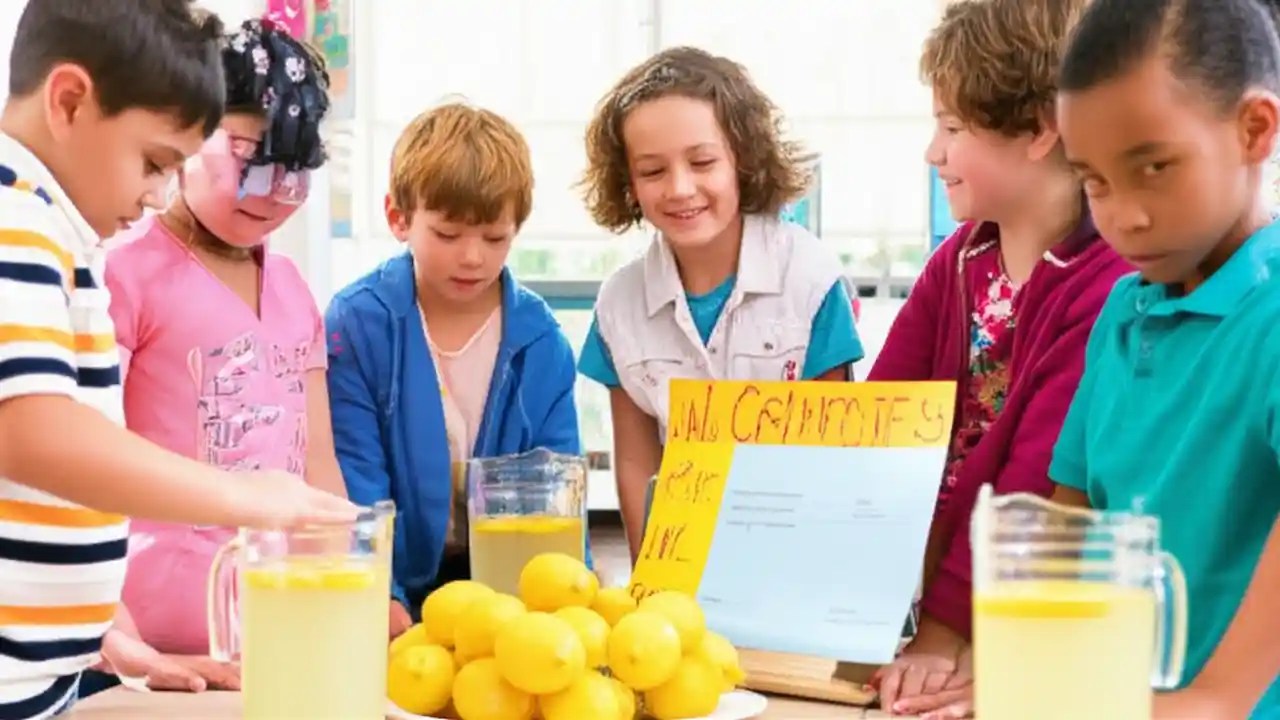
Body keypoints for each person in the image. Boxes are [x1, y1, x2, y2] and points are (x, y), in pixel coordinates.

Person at [0, 1, 355, 717]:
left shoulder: (54, 232)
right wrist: (245, 496)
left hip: (42, 674)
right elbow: (24, 428)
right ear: (69, 100)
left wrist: (99, 628)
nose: (160, 192)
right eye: (155, 162)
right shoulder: (16, 223)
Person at [867, 1, 1134, 716]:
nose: (933, 152)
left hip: (1024, 602)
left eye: (953, 128)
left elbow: (1036, 488)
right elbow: (881, 425)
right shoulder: (955, 264)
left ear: (1043, 130)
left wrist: (948, 631)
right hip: (936, 593)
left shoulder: (1106, 282)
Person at [1049, 0, 1280, 717]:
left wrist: (1213, 700)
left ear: (1253, 130)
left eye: (1153, 167)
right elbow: (1073, 513)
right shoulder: (1121, 311)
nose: (1124, 215)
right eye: (1095, 181)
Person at [576, 47, 864, 561]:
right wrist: (655, 587)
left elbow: (834, 458)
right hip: (685, 568)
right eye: (652, 171)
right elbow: (638, 467)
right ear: (628, 182)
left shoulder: (811, 279)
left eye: (703, 161)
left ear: (743, 158)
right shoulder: (619, 304)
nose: (680, 189)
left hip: (799, 555)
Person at [326, 101, 582, 638]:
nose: (472, 258)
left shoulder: (541, 341)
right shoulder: (359, 323)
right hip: (393, 586)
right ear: (398, 217)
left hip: (508, 595)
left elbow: (558, 490)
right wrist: (379, 592)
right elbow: (356, 478)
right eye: (447, 235)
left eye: (495, 238)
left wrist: (564, 600)